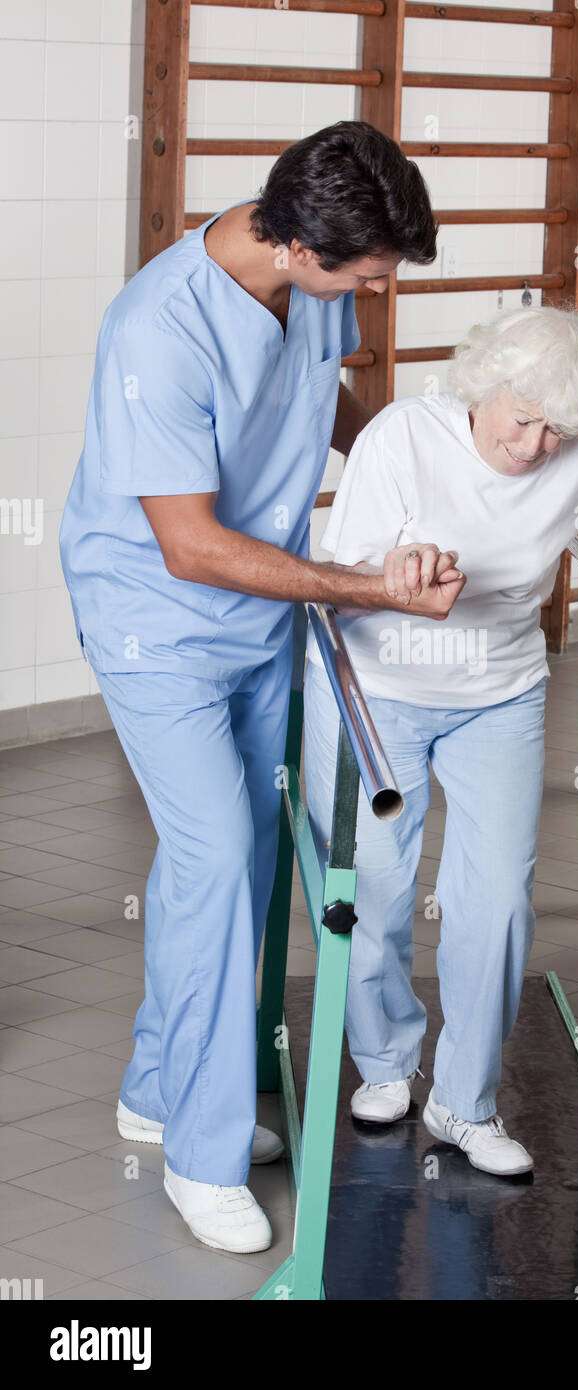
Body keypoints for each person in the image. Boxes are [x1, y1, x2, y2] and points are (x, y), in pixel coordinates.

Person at [57, 121, 464, 1254]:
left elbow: (320, 401)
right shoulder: (159, 327)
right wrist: (361, 585)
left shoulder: (313, 282)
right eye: (368, 276)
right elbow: (187, 545)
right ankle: (201, 1151)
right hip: (158, 622)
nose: (375, 294)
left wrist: (402, 474)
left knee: (245, 856)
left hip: (258, 613)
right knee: (212, 859)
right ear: (297, 246)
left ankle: (157, 1084)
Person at [302, 304, 578, 1176]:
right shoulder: (403, 438)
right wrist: (403, 578)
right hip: (381, 683)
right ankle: (386, 1063)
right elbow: (339, 588)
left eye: (558, 429)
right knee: (376, 892)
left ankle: (465, 1104)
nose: (538, 445)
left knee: (498, 898)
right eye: (524, 419)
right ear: (485, 387)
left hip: (499, 693)